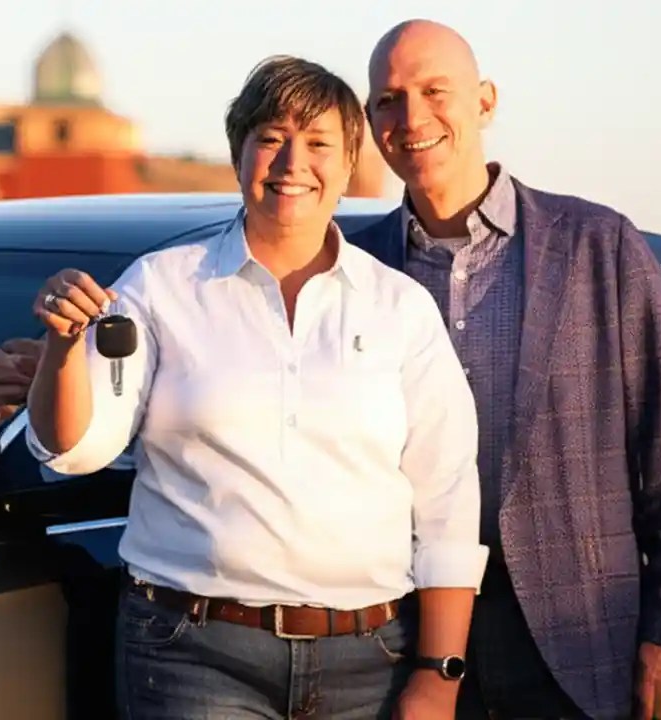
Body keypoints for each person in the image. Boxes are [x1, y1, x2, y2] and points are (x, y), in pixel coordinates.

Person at [24, 54, 487, 719]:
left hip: (371, 662)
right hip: (193, 651)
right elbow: (78, 449)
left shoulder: (400, 308)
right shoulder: (158, 287)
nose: (292, 162)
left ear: (350, 161)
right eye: (270, 138)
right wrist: (63, 347)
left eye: (319, 143)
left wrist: (438, 676)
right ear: (239, 153)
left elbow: (446, 496)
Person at [351, 20, 661, 720]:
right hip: (402, 651)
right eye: (388, 99)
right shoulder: (354, 271)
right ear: (369, 121)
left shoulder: (600, 246)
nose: (411, 117)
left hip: (586, 645)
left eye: (434, 90)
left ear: (485, 101)